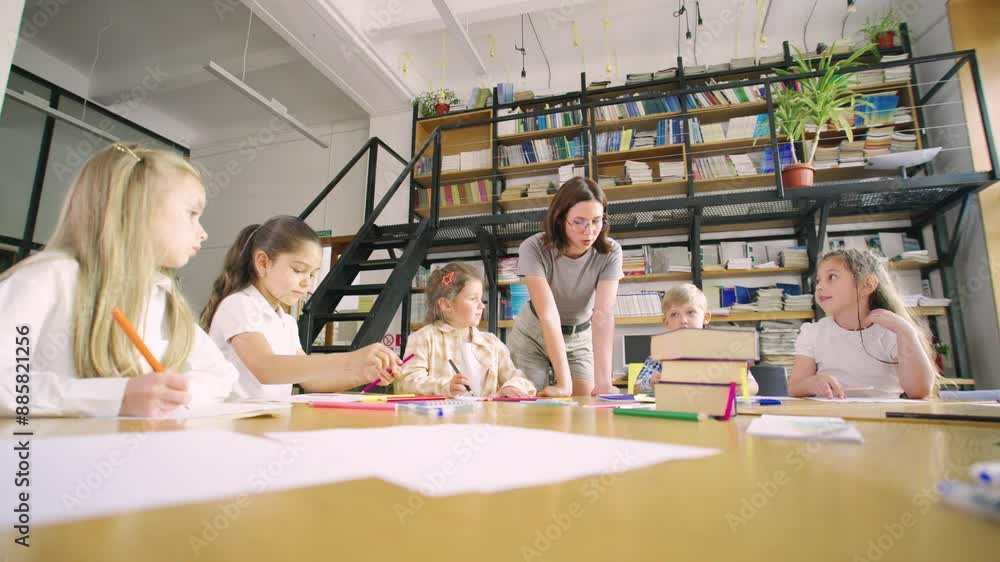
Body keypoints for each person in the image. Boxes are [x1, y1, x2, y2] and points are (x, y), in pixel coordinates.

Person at [0, 144, 237, 417]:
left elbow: (222, 375)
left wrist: (172, 395)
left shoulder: (161, 297)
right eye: (191, 214)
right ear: (136, 209)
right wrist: (115, 396)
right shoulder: (48, 279)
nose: (203, 233)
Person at [201, 216, 401, 399]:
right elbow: (266, 367)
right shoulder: (238, 304)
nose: (308, 284)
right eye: (299, 270)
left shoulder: (286, 322)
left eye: (312, 274)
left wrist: (362, 373)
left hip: (264, 423)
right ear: (263, 263)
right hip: (231, 426)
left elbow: (311, 380)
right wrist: (352, 359)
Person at [507, 177, 623, 396]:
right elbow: (548, 314)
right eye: (579, 221)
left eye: (597, 221)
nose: (589, 231)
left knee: (584, 402)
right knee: (531, 397)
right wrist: (563, 384)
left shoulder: (611, 253)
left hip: (578, 336)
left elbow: (603, 315)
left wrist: (604, 382)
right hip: (533, 334)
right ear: (561, 219)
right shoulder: (533, 247)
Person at [789, 248, 936, 399]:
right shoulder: (812, 333)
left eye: (832, 277)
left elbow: (919, 391)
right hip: (831, 418)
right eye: (818, 280)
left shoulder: (893, 331)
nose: (819, 286)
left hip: (883, 418)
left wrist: (906, 332)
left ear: (867, 285)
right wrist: (813, 383)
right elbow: (795, 387)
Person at [396, 263, 536, 398]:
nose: (481, 305)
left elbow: (519, 379)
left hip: (487, 420)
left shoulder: (492, 343)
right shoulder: (423, 338)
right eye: (473, 299)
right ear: (446, 304)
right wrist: (445, 386)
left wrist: (512, 386)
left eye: (481, 299)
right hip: (441, 421)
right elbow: (406, 383)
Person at [633, 284, 759, 394]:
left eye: (691, 312)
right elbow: (636, 388)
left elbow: (753, 386)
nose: (683, 321)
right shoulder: (660, 354)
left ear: (706, 317)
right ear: (666, 322)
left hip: (716, 413)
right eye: (674, 314)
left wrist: (740, 388)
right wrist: (651, 383)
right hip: (676, 412)